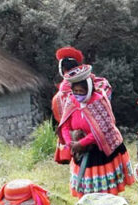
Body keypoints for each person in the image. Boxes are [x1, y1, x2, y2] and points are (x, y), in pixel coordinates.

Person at [55, 60, 132, 197]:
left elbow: (103, 129)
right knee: (85, 191)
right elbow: (65, 125)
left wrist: (81, 143)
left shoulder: (98, 101)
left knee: (104, 191)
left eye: (81, 91)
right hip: (78, 149)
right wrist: (70, 143)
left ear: (89, 89)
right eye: (75, 91)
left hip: (100, 151)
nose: (78, 94)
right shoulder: (71, 101)